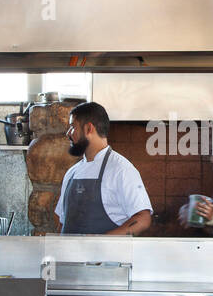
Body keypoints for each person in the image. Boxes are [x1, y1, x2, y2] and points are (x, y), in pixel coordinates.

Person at [55, 101, 153, 235]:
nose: (68, 133)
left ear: (89, 128)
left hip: (105, 256)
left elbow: (143, 219)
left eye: (73, 127)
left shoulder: (121, 169)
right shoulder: (72, 172)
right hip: (68, 256)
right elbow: (62, 221)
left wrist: (101, 244)